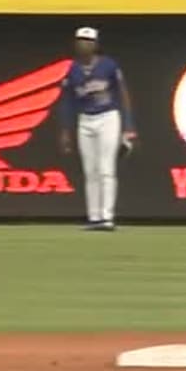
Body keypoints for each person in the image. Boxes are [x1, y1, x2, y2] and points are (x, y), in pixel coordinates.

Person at [57, 26, 136, 231]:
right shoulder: (73, 69)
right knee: (90, 171)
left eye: (88, 41)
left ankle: (107, 217)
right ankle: (94, 217)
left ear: (95, 45)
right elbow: (67, 101)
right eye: (80, 41)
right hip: (85, 120)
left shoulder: (109, 65)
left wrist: (128, 126)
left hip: (108, 117)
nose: (83, 44)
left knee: (106, 168)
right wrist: (65, 130)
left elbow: (123, 95)